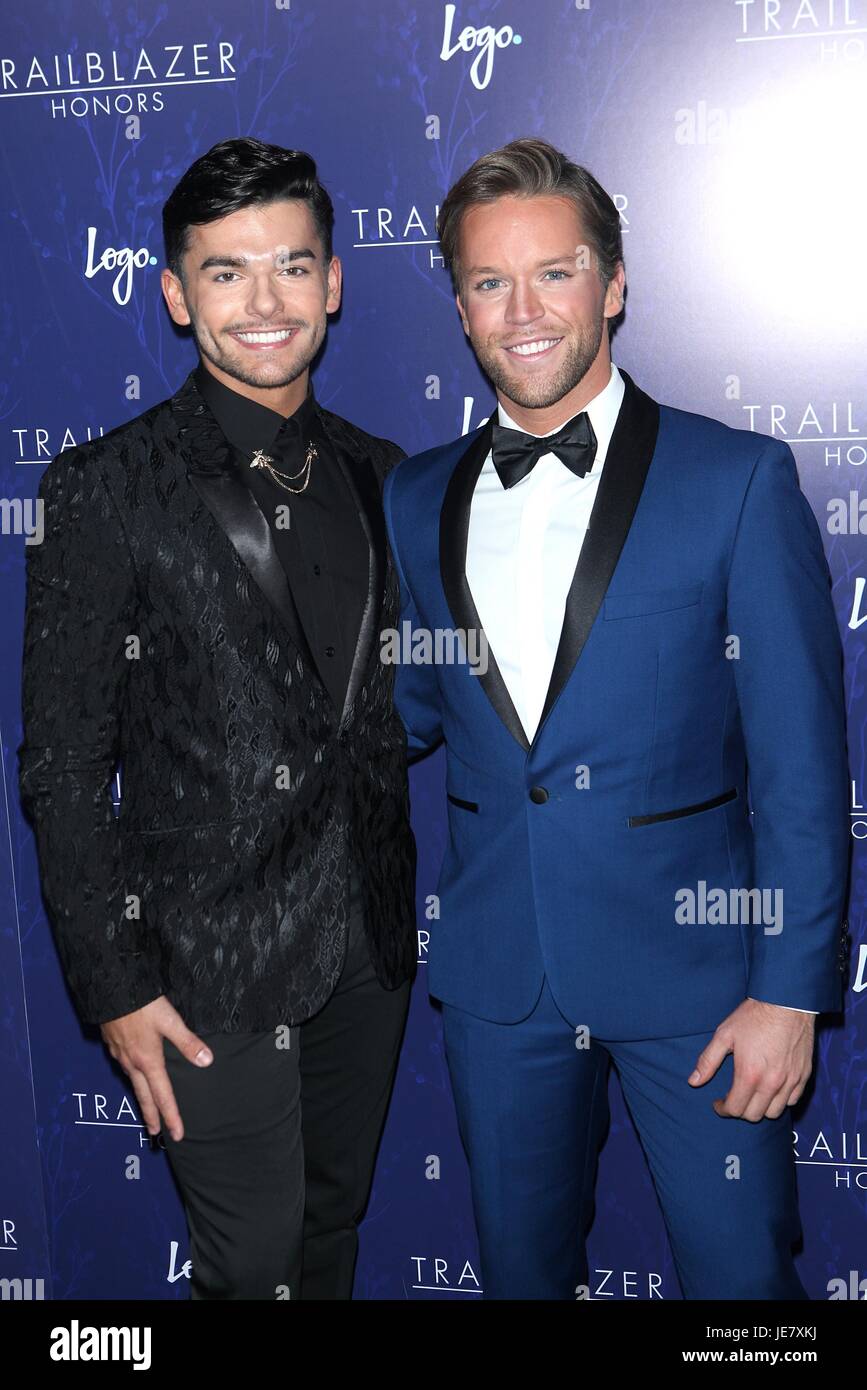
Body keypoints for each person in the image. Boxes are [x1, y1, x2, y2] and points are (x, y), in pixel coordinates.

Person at [382, 136, 851, 1300]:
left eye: (556, 271)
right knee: (520, 1281)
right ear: (459, 307)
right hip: (499, 981)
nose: (524, 309)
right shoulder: (413, 494)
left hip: (704, 984)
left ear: (615, 283)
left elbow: (801, 769)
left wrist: (792, 991)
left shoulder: (735, 480)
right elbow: (399, 713)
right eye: (491, 282)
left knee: (746, 1290)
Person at [18, 137, 416, 1301]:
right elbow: (63, 764)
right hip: (202, 971)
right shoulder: (102, 487)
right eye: (227, 271)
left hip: (370, 949)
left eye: (291, 265)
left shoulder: (385, 473)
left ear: (334, 282)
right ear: (176, 296)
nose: (264, 301)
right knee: (250, 1269)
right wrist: (116, 988)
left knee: (330, 1240)